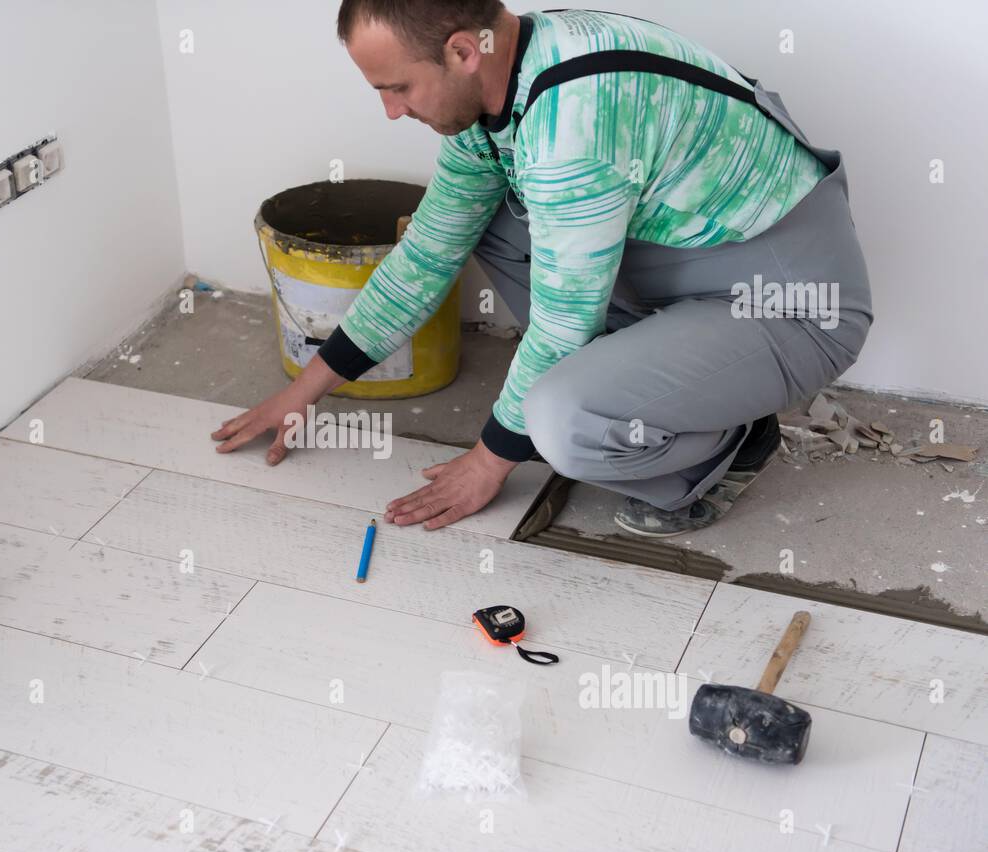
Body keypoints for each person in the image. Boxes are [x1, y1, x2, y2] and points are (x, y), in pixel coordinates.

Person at [212, 2, 872, 536]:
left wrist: (488, 460)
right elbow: (428, 251)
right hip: (683, 260)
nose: (391, 110)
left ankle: (727, 445)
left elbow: (561, 325)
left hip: (787, 299)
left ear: (462, 51)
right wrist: (307, 388)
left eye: (398, 87)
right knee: (494, 220)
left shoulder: (570, 127)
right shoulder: (507, 74)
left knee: (559, 422)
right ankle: (656, 388)